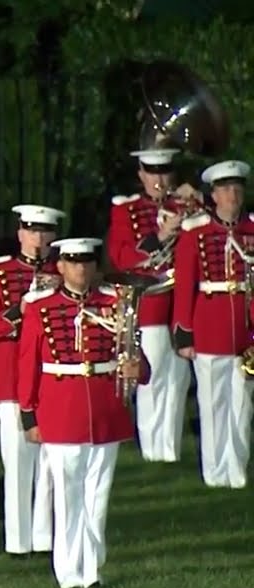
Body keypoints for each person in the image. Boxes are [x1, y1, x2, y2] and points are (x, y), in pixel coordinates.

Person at [18, 238, 150, 588]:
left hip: (105, 409)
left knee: (98, 494)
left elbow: (134, 354)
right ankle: (68, 570)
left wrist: (140, 369)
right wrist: (29, 416)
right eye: (73, 261)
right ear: (59, 266)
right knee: (67, 494)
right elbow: (28, 364)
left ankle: (92, 569)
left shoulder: (114, 304)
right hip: (61, 410)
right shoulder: (39, 307)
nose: (81, 268)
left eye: (87, 261)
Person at [0, 203, 63, 556]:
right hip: (11, 379)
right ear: (20, 233)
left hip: (52, 377)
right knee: (18, 460)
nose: (38, 239)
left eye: (45, 232)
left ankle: (43, 537)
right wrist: (19, 311)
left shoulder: (63, 271)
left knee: (51, 462)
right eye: (31, 231)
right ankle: (18, 540)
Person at [106, 148, 196, 463]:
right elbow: (122, 256)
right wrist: (160, 235)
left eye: (165, 172)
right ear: (141, 175)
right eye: (152, 172)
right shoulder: (126, 209)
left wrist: (200, 202)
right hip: (151, 303)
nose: (159, 179)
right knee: (154, 375)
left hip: (183, 301)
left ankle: (168, 449)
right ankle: (151, 448)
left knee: (178, 377)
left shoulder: (185, 205)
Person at [172, 159, 254, 490]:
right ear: (214, 195)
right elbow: (184, 286)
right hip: (209, 325)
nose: (232, 195)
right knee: (212, 403)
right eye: (225, 189)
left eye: (237, 188)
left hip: (246, 328)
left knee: (242, 403)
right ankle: (215, 470)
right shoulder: (197, 233)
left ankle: (237, 469)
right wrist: (184, 332)